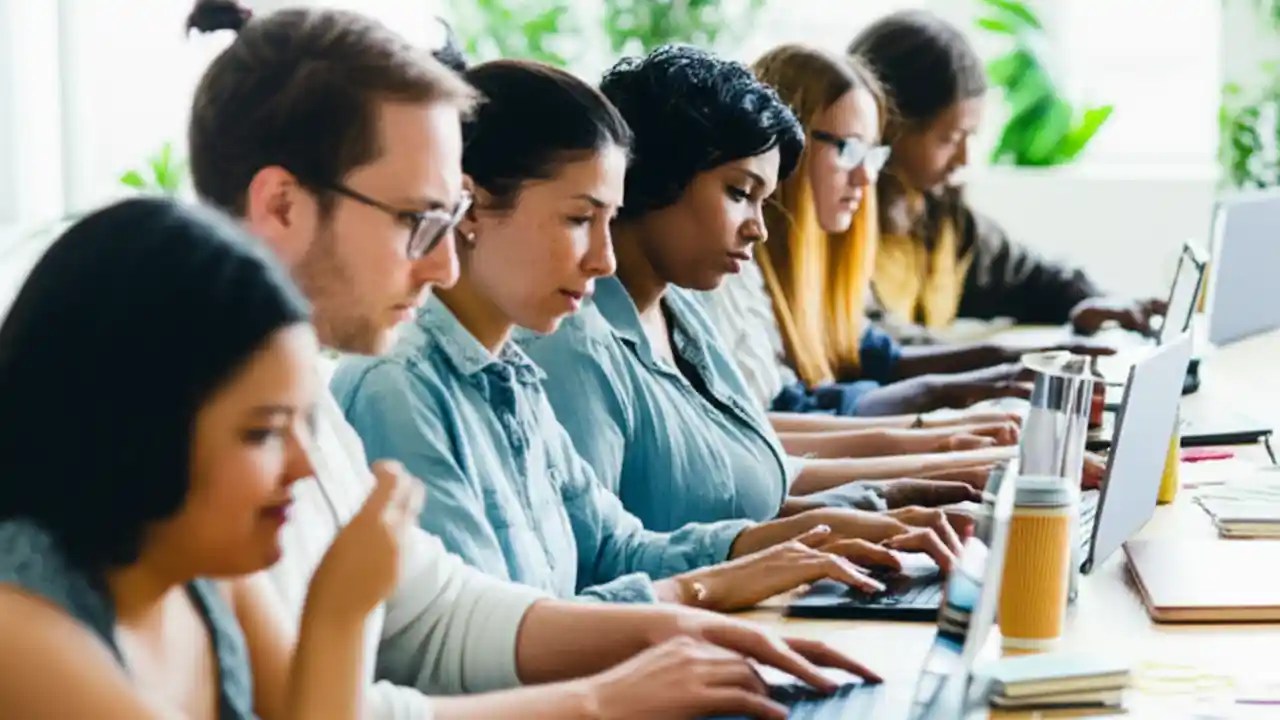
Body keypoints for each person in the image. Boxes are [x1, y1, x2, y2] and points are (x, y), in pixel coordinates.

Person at [186, 3, 872, 717]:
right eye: (422, 220)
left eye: (452, 220)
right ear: (283, 206)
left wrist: (692, 615)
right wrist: (607, 694)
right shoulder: (285, 416)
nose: (444, 260)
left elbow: (441, 615)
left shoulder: (312, 413)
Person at [334, 59, 967, 619]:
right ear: (470, 209)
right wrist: (710, 590)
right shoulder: (412, 384)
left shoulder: (513, 371)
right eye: (580, 220)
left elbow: (616, 547)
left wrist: (798, 545)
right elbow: (483, 634)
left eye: (607, 219)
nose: (604, 258)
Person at [516, 46, 1011, 549]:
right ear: (660, 174)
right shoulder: (575, 347)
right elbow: (602, 558)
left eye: (762, 199)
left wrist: (901, 494)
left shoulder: (681, 311)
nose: (758, 229)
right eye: (739, 192)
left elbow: (755, 477)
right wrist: (929, 458)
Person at [0, 198, 418, 719]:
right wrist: (338, 618)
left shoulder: (205, 574)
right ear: (137, 429)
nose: (304, 467)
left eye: (304, 424)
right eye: (264, 432)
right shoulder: (15, 630)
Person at [706, 44, 1111, 419]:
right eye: (848, 149)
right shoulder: (728, 273)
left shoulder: (826, 262)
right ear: (782, 143)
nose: (866, 177)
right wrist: (956, 394)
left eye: (872, 154)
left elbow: (878, 355)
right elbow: (792, 416)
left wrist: (1031, 360)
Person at [848, 10, 1166, 341]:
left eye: (970, 137)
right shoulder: (839, 225)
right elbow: (881, 348)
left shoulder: (944, 220)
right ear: (887, 126)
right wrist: (998, 361)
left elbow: (1031, 279)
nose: (964, 158)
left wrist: (1103, 302)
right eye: (949, 139)